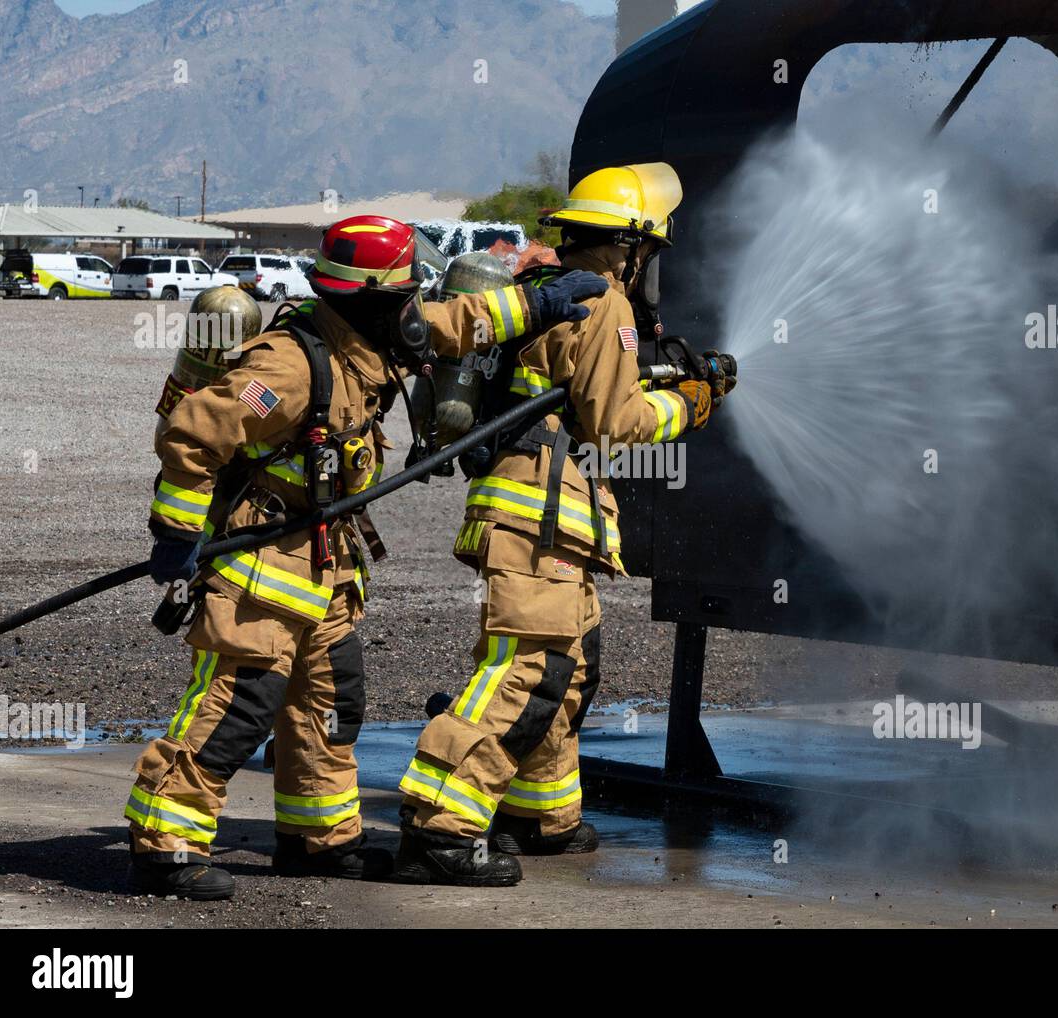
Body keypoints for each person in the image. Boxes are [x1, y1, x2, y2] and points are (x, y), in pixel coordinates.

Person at [127, 215, 607, 900]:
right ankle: (163, 844)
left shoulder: (364, 339)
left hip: (321, 567)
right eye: (407, 294)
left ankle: (317, 838)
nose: (417, 307)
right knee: (238, 705)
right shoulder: (291, 366)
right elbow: (196, 430)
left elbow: (456, 321)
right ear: (375, 299)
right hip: (260, 567)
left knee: (330, 703)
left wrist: (536, 304)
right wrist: (176, 534)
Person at [394, 164, 728, 886]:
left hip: (540, 516)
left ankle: (539, 816)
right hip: (539, 519)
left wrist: (667, 375)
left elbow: (579, 392)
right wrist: (693, 406)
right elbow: (615, 424)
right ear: (630, 247)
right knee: (526, 672)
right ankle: (438, 827)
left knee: (568, 672)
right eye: (652, 253)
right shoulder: (604, 302)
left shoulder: (545, 289)